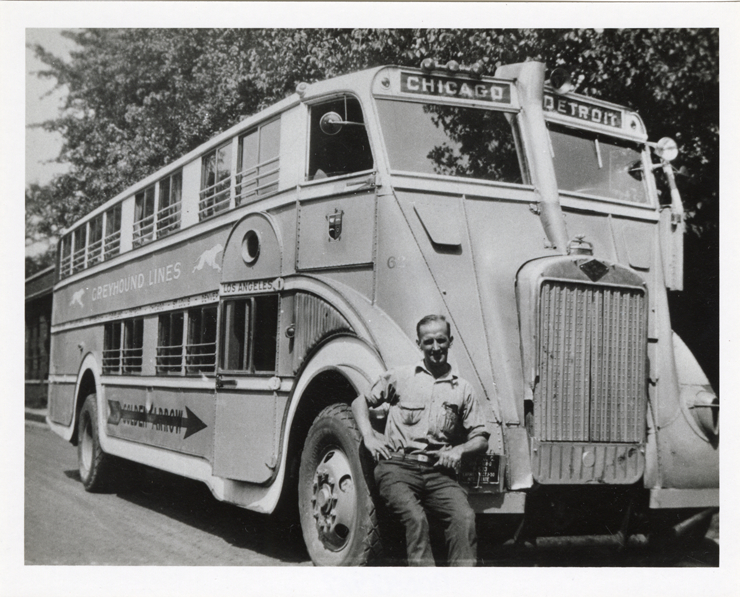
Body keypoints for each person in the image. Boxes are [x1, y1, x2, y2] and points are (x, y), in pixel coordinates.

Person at [351, 314, 490, 566]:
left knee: (464, 518)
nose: (435, 347)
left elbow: (480, 438)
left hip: (439, 474)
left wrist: (459, 450)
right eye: (428, 342)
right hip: (397, 468)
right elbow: (360, 401)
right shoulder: (400, 377)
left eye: (441, 340)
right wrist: (369, 437)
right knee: (416, 519)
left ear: (450, 342)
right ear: (419, 344)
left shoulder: (463, 389)